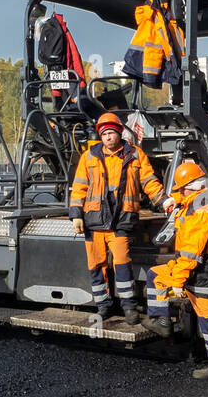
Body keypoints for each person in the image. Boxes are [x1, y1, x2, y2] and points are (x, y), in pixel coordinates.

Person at [69, 112, 173, 322]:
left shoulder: (135, 155)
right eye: (104, 134)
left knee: (123, 264)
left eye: (111, 133)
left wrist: (163, 200)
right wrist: (75, 215)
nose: (108, 137)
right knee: (96, 265)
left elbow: (149, 182)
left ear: (119, 133)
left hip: (121, 221)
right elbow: (79, 187)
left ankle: (129, 307)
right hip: (94, 221)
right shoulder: (89, 156)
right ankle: (103, 307)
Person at [141, 161, 208, 380]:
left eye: (181, 189)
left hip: (200, 274)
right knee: (155, 276)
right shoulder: (202, 198)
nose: (179, 192)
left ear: (192, 187)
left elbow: (190, 254)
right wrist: (172, 199)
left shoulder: (198, 214)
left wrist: (178, 283)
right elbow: (186, 196)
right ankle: (161, 322)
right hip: (198, 270)